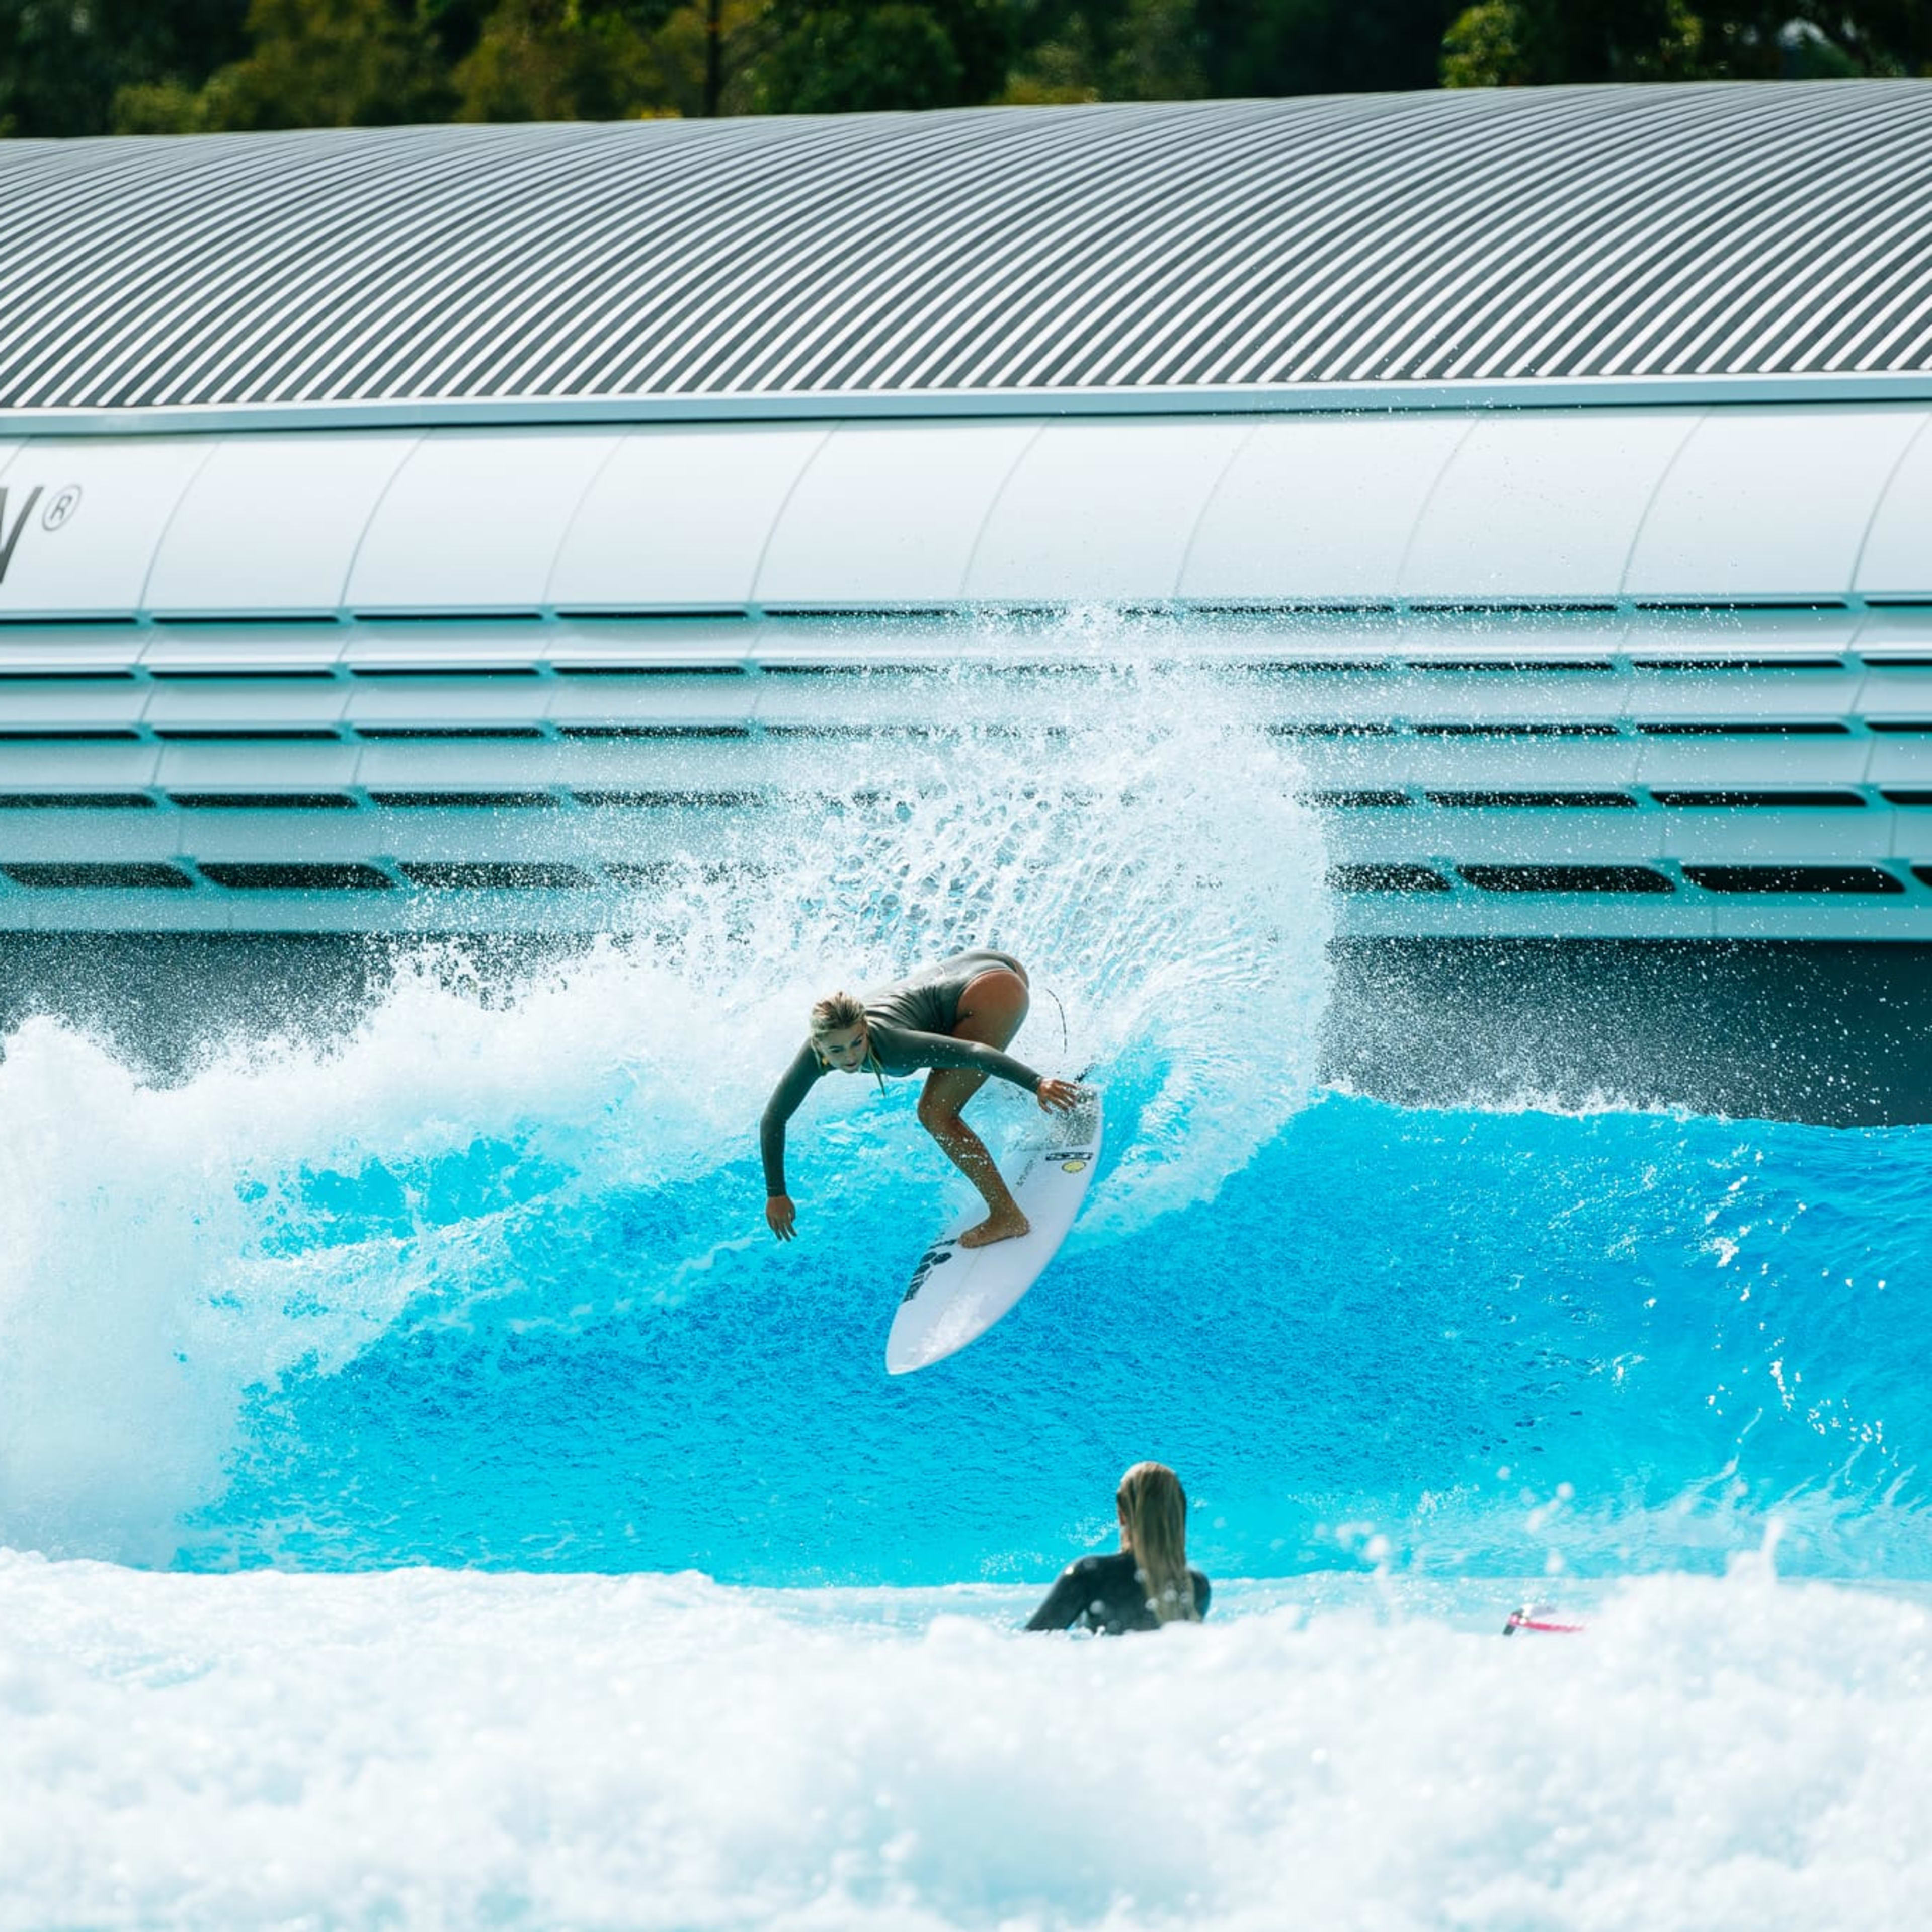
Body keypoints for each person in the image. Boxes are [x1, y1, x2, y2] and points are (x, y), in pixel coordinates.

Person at [761, 947, 1081, 1249]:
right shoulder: (816, 1054)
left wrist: (1036, 1082)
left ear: (865, 1028)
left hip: (993, 996)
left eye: (857, 1042)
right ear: (818, 1046)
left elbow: (975, 1052)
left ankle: (1007, 1215)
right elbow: (774, 1118)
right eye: (836, 1050)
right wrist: (776, 1193)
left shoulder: (892, 1044)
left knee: (935, 1112)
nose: (849, 1057)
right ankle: (1057, 1098)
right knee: (960, 1083)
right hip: (993, 969)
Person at [1026, 1462, 1210, 1634]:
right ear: (1179, 1514)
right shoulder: (1196, 1586)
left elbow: (1027, 1645)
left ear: (1123, 1515)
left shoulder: (1090, 1575)